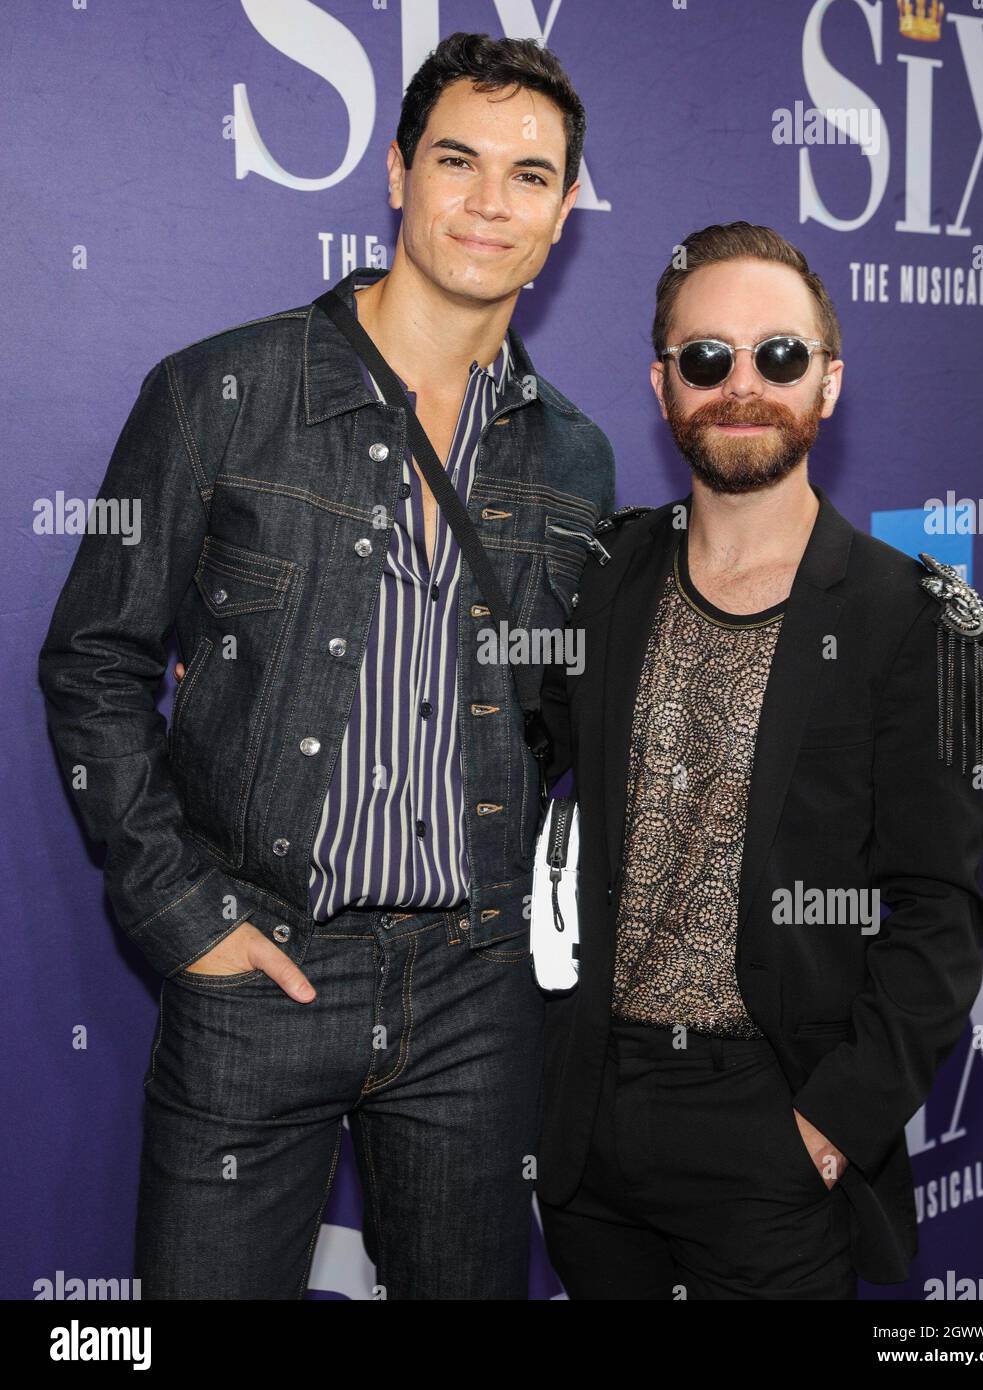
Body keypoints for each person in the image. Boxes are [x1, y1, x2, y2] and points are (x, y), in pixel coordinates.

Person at [38, 32, 613, 1300]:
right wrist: (187, 919)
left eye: (531, 176)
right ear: (400, 169)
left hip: (476, 991)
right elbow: (92, 660)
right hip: (263, 969)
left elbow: (559, 714)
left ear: (565, 214)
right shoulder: (219, 394)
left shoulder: (574, 458)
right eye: (458, 159)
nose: (489, 202)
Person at [535, 221, 983, 1300]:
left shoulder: (926, 621)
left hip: (774, 1127)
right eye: (706, 358)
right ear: (663, 386)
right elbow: (504, 748)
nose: (741, 386)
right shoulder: (603, 574)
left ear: (829, 382)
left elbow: (938, 911)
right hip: (588, 1116)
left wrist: (829, 1124)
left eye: (779, 356)